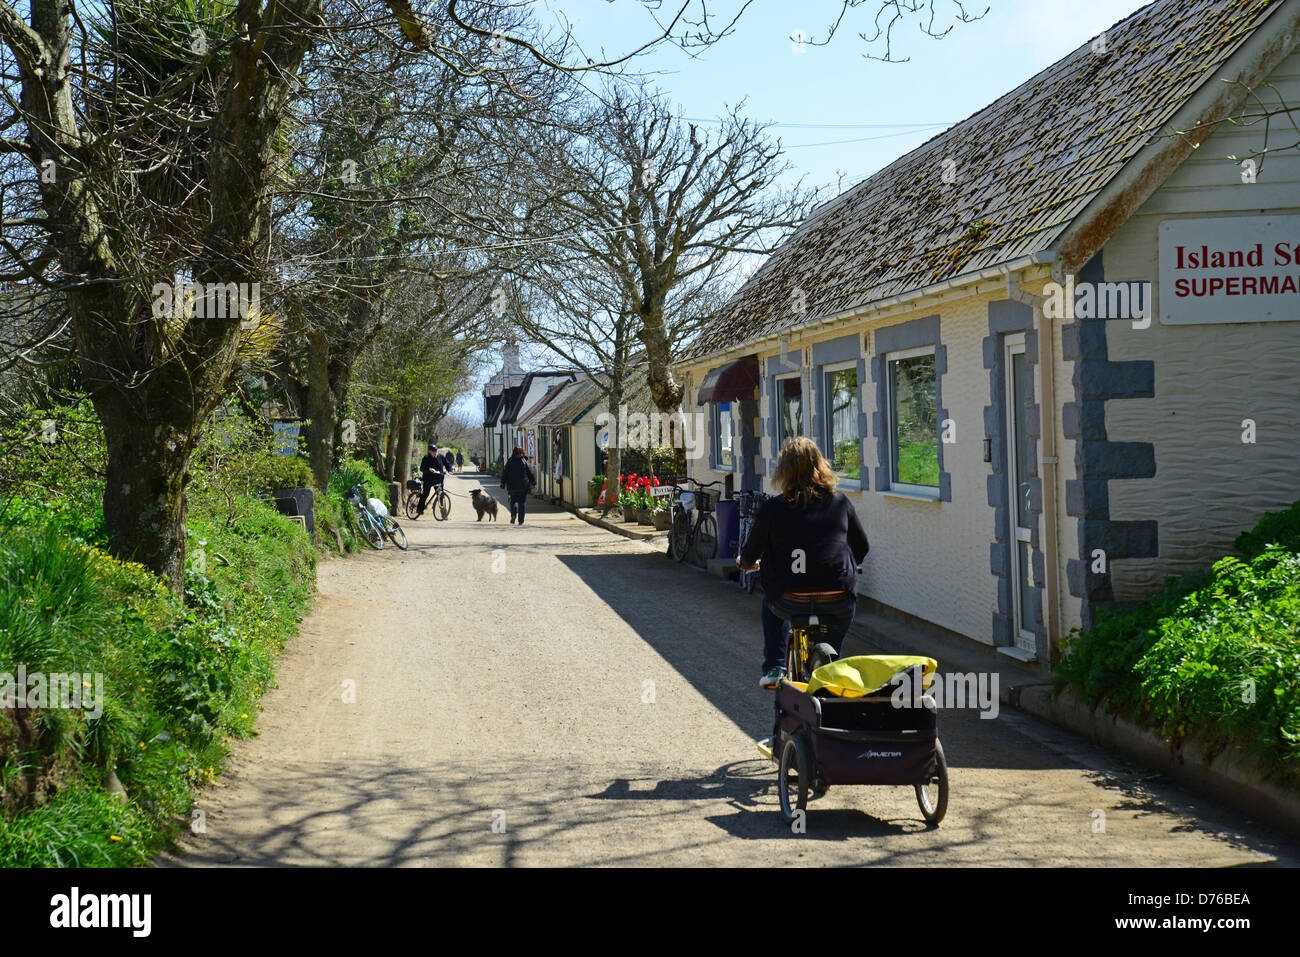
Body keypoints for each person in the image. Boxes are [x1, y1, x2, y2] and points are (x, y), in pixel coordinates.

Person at [737, 436, 870, 689]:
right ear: (820, 466)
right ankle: (829, 668)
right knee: (832, 650)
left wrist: (746, 562)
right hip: (837, 597)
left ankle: (775, 665)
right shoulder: (840, 502)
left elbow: (751, 551)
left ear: (784, 471)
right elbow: (862, 547)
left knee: (770, 601)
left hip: (789, 599)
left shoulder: (773, 508)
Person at [500, 445, 535, 525]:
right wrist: (533, 482)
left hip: (512, 486)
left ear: (513, 452)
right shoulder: (524, 461)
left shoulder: (510, 461)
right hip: (523, 486)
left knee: (513, 501)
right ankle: (521, 520)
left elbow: (505, 473)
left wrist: (503, 483)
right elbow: (530, 473)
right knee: (522, 503)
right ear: (522, 452)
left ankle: (513, 515)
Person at [415, 442, 445, 518]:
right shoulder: (426, 458)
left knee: (440, 495)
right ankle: (419, 509)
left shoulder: (440, 456)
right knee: (425, 494)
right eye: (434, 451)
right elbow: (422, 468)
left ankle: (444, 513)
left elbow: (447, 464)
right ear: (430, 451)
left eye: (436, 451)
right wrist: (429, 469)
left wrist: (450, 469)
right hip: (428, 479)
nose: (436, 452)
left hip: (437, 479)